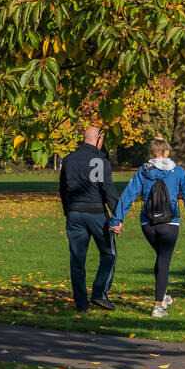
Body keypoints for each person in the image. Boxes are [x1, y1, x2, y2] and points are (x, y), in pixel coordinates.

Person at [110, 138, 185, 317]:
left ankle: (163, 294)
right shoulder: (178, 171)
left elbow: (128, 195)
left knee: (161, 258)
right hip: (170, 222)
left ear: (151, 153)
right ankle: (158, 305)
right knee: (164, 260)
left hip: (148, 223)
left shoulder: (143, 171)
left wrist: (117, 219)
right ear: (167, 152)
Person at [59, 125, 121, 312]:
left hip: (75, 214)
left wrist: (67, 211)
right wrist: (117, 216)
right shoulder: (100, 159)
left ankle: (81, 303)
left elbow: (63, 189)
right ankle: (99, 293)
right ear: (99, 139)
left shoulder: (69, 160)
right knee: (109, 254)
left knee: (77, 260)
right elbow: (107, 189)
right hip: (96, 213)